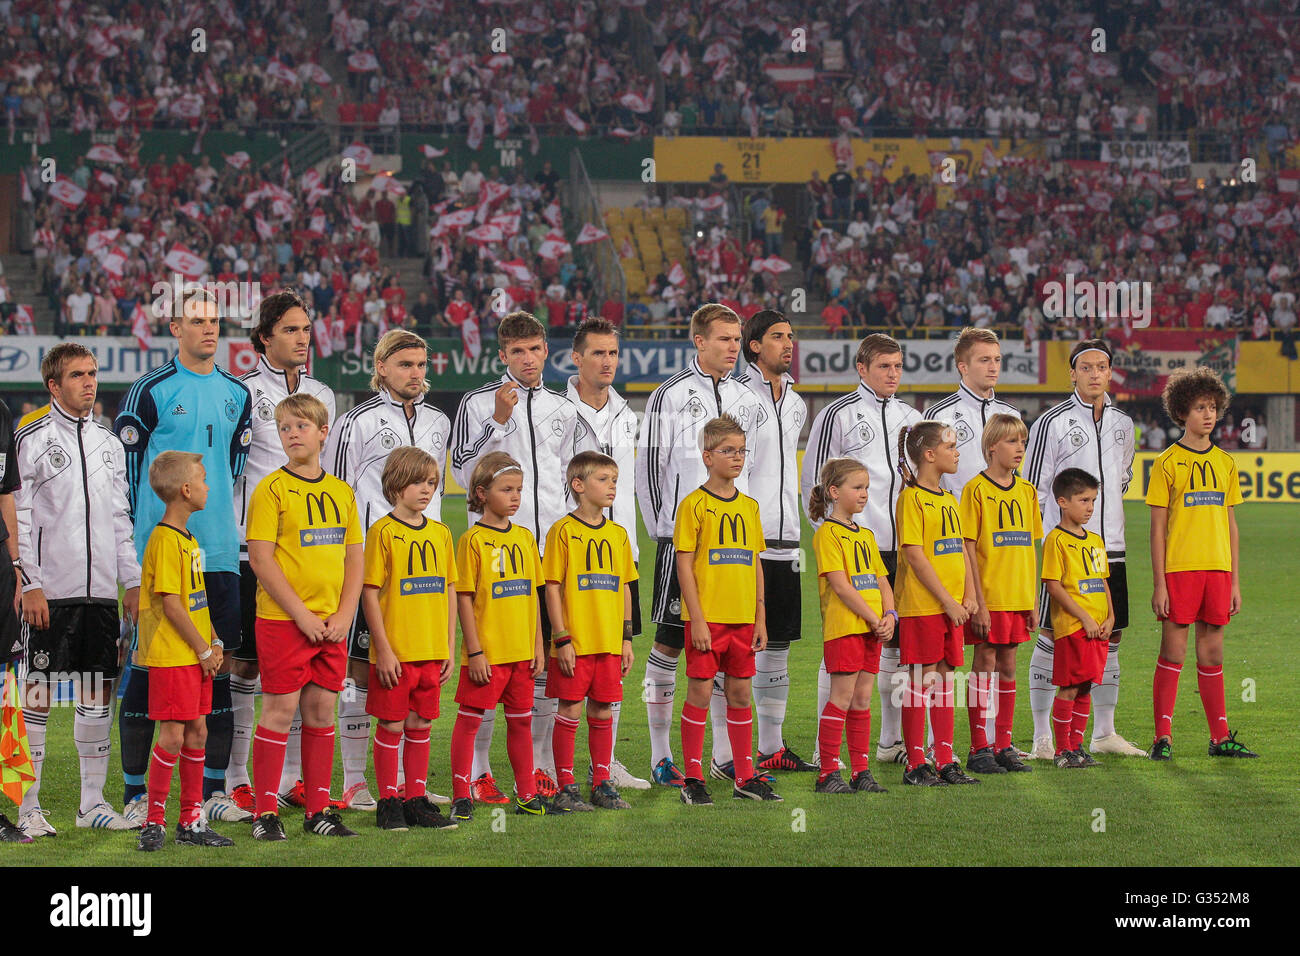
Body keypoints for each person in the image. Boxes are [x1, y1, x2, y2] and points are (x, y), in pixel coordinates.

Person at [114, 288, 253, 826]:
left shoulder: (236, 394)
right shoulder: (148, 391)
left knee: (215, 670)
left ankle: (213, 791)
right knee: (148, 673)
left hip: (217, 553)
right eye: (197, 321)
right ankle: (132, 794)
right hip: (161, 554)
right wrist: (137, 553)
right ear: (175, 327)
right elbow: (129, 479)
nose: (210, 330)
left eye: (216, 321)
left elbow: (232, 471)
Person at [449, 313, 595, 804]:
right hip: (494, 555)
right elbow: (460, 469)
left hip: (549, 554)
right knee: (492, 666)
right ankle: (479, 772)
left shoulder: (563, 407)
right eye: (517, 352)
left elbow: (576, 474)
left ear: (546, 350)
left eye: (534, 349)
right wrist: (498, 422)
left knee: (542, 666)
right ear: (502, 356)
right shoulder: (476, 403)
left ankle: (537, 769)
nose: (528, 359)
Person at [13, 344, 141, 837]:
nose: (88, 382)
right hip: (52, 592)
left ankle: (91, 804)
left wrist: (129, 578)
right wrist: (32, 584)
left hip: (100, 593)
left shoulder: (109, 441)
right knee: (39, 695)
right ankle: (27, 807)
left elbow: (118, 516)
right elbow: (19, 517)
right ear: (53, 385)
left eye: (92, 374)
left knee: (97, 691)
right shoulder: (32, 436)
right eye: (76, 375)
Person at [635, 304, 760, 787]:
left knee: (732, 653)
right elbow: (650, 465)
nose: (733, 346)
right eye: (724, 338)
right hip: (681, 539)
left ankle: (726, 757)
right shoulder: (670, 394)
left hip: (732, 541)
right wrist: (663, 530)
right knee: (671, 642)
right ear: (699, 342)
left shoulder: (744, 395)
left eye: (736, 339)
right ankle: (661, 755)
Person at [326, 329, 451, 810]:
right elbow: (336, 495)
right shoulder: (355, 421)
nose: (415, 374)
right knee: (363, 671)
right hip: (373, 566)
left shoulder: (438, 421)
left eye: (421, 365)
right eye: (405, 365)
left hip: (423, 571)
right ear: (380, 368)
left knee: (416, 678)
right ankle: (355, 780)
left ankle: (405, 785)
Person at [228, 291, 337, 814]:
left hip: (312, 556)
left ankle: (295, 779)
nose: (302, 338)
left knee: (312, 678)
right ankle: (236, 777)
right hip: (258, 553)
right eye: (291, 329)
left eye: (306, 329)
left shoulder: (322, 393)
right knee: (249, 667)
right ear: (265, 336)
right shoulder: (242, 392)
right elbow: (233, 470)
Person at [246, 394, 363, 841]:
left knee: (320, 711)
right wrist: (301, 616)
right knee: (279, 711)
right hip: (283, 621)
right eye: (285, 428)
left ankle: (319, 811)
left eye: (301, 426)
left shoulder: (341, 491)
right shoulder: (271, 489)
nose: (292, 434)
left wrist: (345, 613)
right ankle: (264, 814)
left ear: (322, 432)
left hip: (332, 623)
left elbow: (355, 558)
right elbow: (261, 559)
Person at [800, 333, 920, 767]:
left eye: (898, 366)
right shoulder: (837, 413)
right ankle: (823, 748)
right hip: (852, 547)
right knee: (842, 642)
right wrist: (833, 535)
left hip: (899, 547)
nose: (892, 374)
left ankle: (890, 742)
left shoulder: (910, 416)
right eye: (884, 366)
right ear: (863, 368)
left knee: (894, 643)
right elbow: (814, 481)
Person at [1023, 339, 1144, 759]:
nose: (1095, 374)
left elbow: (1122, 478)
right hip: (1064, 550)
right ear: (1072, 373)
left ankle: (1104, 733)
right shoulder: (1051, 422)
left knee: (1110, 636)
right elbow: (1034, 489)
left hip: (1110, 547)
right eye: (1087, 367)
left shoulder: (1123, 423)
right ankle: (1043, 738)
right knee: (1055, 635)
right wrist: (1043, 546)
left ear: (1111, 373)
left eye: (1103, 367)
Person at [1146, 367, 1256, 760]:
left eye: (1211, 407)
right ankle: (1163, 737)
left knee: (1212, 655)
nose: (1207, 414)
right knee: (1173, 652)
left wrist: (1235, 582)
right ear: (1181, 413)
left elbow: (1231, 526)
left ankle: (1220, 738)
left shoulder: (1226, 462)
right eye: (1198, 407)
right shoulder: (1167, 462)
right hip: (1180, 571)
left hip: (1218, 571)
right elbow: (1157, 530)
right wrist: (1160, 583)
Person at [673, 416, 779, 806]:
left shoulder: (749, 507)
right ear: (707, 456)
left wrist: (760, 618)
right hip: (707, 619)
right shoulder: (694, 505)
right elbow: (684, 565)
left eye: (741, 451)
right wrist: (696, 618)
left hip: (743, 620)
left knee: (739, 693)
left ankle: (745, 776)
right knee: (700, 693)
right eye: (728, 451)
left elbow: (755, 564)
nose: (737, 458)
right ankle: (694, 779)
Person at [727, 310, 814, 776]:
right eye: (778, 336)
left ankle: (772, 745)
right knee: (741, 644)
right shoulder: (739, 398)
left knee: (779, 641)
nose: (788, 343)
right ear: (755, 345)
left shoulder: (797, 402)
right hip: (747, 539)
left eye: (791, 336)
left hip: (788, 539)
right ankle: (726, 754)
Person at [133, 451, 234, 851]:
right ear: (187, 490)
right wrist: (200, 649)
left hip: (195, 654)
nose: (209, 486)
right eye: (204, 479)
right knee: (173, 735)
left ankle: (191, 819)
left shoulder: (188, 538)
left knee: (198, 730)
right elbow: (171, 603)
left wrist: (214, 643)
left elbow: (196, 599)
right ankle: (153, 820)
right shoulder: (164, 539)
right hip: (173, 655)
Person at [565, 319, 649, 790]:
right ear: (576, 358)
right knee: (565, 664)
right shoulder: (557, 411)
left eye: (613, 353)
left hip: (622, 556)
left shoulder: (626, 413)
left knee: (616, 662)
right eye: (598, 353)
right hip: (576, 559)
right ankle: (547, 767)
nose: (608, 362)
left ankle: (607, 763)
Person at [362, 448, 461, 831]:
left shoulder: (440, 533)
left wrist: (449, 647)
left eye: (433, 483)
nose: (427, 490)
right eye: (419, 482)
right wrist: (383, 650)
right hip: (396, 652)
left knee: (421, 724)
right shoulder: (382, 532)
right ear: (395, 484)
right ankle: (389, 801)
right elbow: (369, 592)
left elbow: (449, 588)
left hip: (431, 650)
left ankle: (415, 798)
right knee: (391, 724)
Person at [447, 453, 547, 822]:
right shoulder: (472, 540)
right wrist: (474, 651)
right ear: (482, 493)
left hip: (521, 653)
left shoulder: (524, 537)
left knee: (521, 721)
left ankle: (527, 793)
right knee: (470, 720)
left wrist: (538, 645)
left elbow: (534, 594)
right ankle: (462, 794)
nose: (515, 496)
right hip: (487, 654)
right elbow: (464, 597)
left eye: (519, 489)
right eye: (506, 489)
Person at [542, 451, 637, 812]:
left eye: (614, 480)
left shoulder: (618, 534)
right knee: (571, 708)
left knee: (602, 710)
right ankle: (565, 785)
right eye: (603, 479)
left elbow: (625, 586)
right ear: (578, 485)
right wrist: (561, 638)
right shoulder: (562, 532)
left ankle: (601, 783)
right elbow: (552, 587)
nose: (612, 486)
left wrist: (626, 639)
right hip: (575, 642)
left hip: (609, 642)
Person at [893, 421, 980, 787]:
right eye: (950, 446)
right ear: (929, 455)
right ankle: (916, 763)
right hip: (924, 606)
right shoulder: (911, 498)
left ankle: (944, 758)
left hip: (952, 607)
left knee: (946, 679)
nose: (957, 452)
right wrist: (947, 601)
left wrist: (970, 594)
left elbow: (959, 549)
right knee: (921, 679)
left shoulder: (949, 498)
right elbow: (914, 554)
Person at [958, 414, 1041, 774]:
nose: (1019, 448)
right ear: (992, 446)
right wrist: (976, 600)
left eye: (1022, 441)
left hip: (1018, 596)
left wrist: (1034, 601)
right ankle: (979, 747)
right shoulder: (975, 490)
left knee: (1008, 667)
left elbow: (1030, 549)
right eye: (1011, 441)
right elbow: (968, 548)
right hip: (989, 598)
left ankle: (1004, 744)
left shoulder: (1027, 491)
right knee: (984, 664)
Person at [808, 457, 894, 794]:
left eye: (866, 488)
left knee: (862, 700)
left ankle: (861, 771)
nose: (863, 494)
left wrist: (890, 616)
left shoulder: (867, 535)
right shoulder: (828, 534)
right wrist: (875, 618)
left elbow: (882, 581)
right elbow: (842, 586)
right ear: (834, 491)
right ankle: (827, 772)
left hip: (873, 629)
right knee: (841, 698)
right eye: (856, 488)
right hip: (846, 627)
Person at [1040, 469, 1112, 769]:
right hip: (1074, 627)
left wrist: (1110, 615)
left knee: (1086, 685)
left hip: (1098, 627)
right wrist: (1083, 617)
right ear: (1062, 502)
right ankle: (1062, 750)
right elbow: (1053, 585)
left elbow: (1102, 579)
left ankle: (1078, 745)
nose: (1090, 507)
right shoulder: (1055, 540)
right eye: (1083, 500)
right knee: (1070, 686)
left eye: (1093, 500)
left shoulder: (1095, 540)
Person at [927, 328, 1022, 499]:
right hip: (956, 519)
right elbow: (925, 478)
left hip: (1003, 519)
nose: (993, 368)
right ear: (964, 367)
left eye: (997, 360)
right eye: (984, 360)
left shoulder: (1011, 414)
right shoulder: (938, 416)